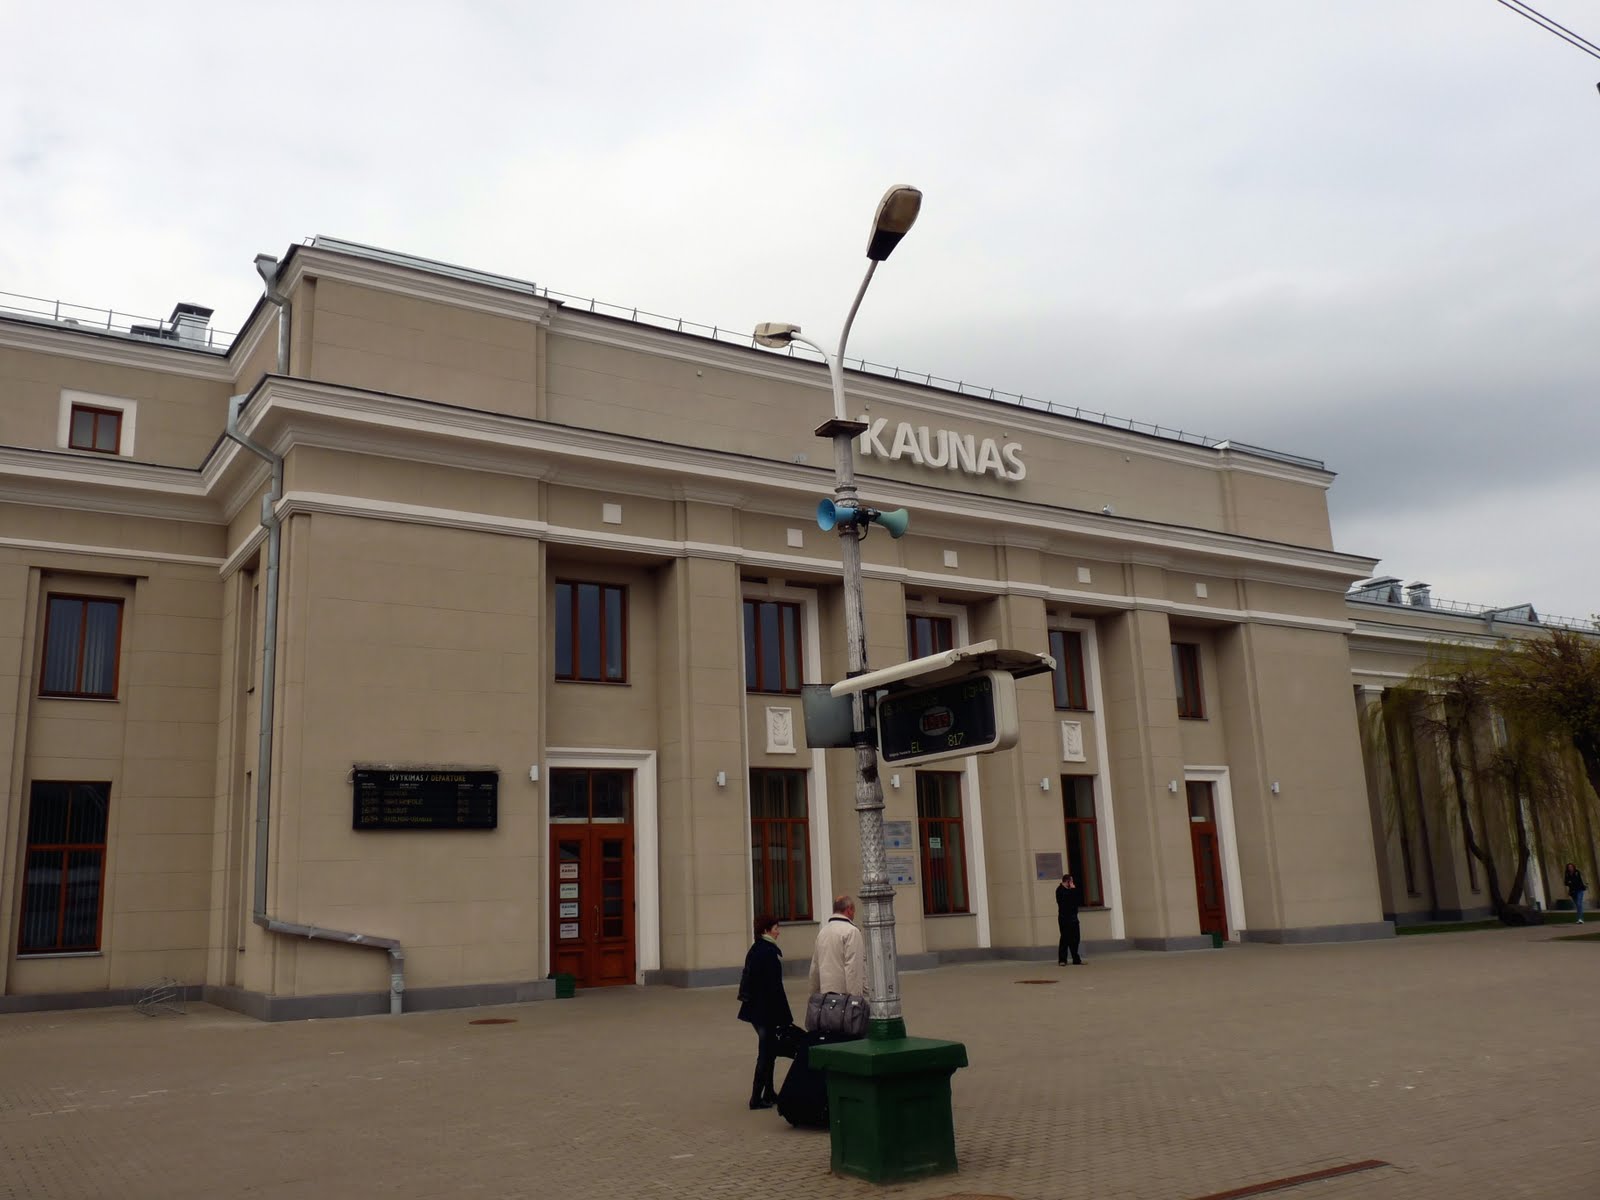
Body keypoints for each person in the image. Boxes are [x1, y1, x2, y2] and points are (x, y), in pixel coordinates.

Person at [736, 914, 792, 1109]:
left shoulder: (758, 949)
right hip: (764, 1011)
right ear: (767, 930)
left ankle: (768, 1092)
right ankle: (756, 1098)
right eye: (776, 927)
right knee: (766, 1052)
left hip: (756, 1009)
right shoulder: (767, 953)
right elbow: (774, 988)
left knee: (770, 1050)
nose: (779, 931)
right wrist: (785, 1017)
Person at [809, 894, 866, 998]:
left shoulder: (823, 932)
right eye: (853, 911)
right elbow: (853, 968)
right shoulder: (852, 931)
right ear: (849, 910)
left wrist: (814, 995)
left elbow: (815, 968)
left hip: (826, 997)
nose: (853, 914)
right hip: (844, 997)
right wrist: (855, 998)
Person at [1056, 872, 1084, 965]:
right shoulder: (1060, 890)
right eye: (1071, 881)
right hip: (1064, 919)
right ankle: (1062, 959)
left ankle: (1076, 958)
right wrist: (1072, 890)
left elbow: (1076, 900)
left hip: (1073, 918)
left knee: (1075, 938)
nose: (1072, 883)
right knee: (1065, 938)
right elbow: (1065, 901)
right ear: (1067, 881)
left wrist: (1073, 890)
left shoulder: (1072, 890)